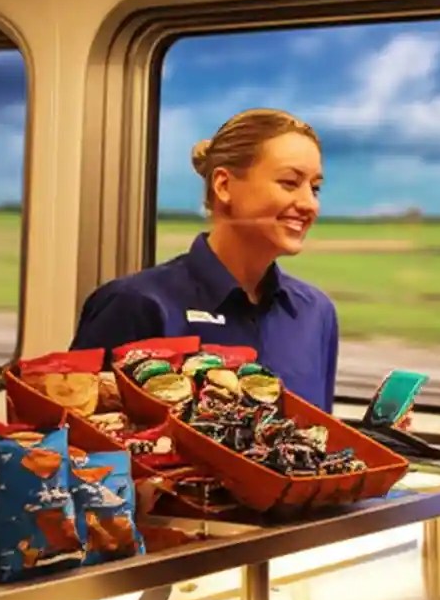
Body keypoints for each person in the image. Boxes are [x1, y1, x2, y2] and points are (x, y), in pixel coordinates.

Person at [70, 108, 340, 412]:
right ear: (223, 185)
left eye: (315, 188)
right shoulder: (137, 305)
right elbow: (78, 443)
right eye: (290, 182)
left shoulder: (315, 313)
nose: (309, 204)